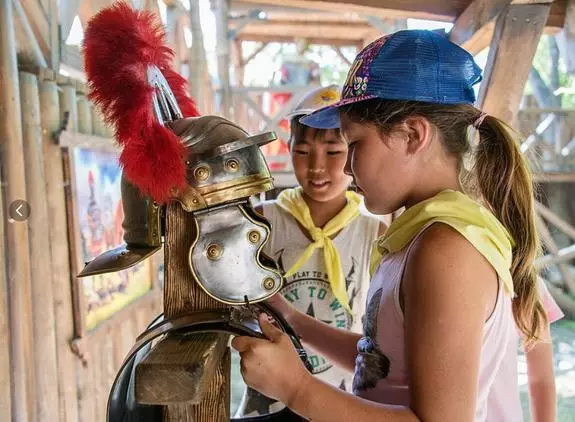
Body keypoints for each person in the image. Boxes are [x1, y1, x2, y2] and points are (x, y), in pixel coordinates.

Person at [232, 30, 560, 421]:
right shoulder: (418, 236)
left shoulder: (446, 250)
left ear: (413, 135)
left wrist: (296, 387)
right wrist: (294, 320)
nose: (348, 168)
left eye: (354, 145)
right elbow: (382, 360)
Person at [233, 85, 385, 420]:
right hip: (267, 395)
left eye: (333, 153)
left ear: (355, 154)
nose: (317, 168)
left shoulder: (374, 234)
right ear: (288, 150)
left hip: (341, 399)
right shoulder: (262, 223)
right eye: (303, 152)